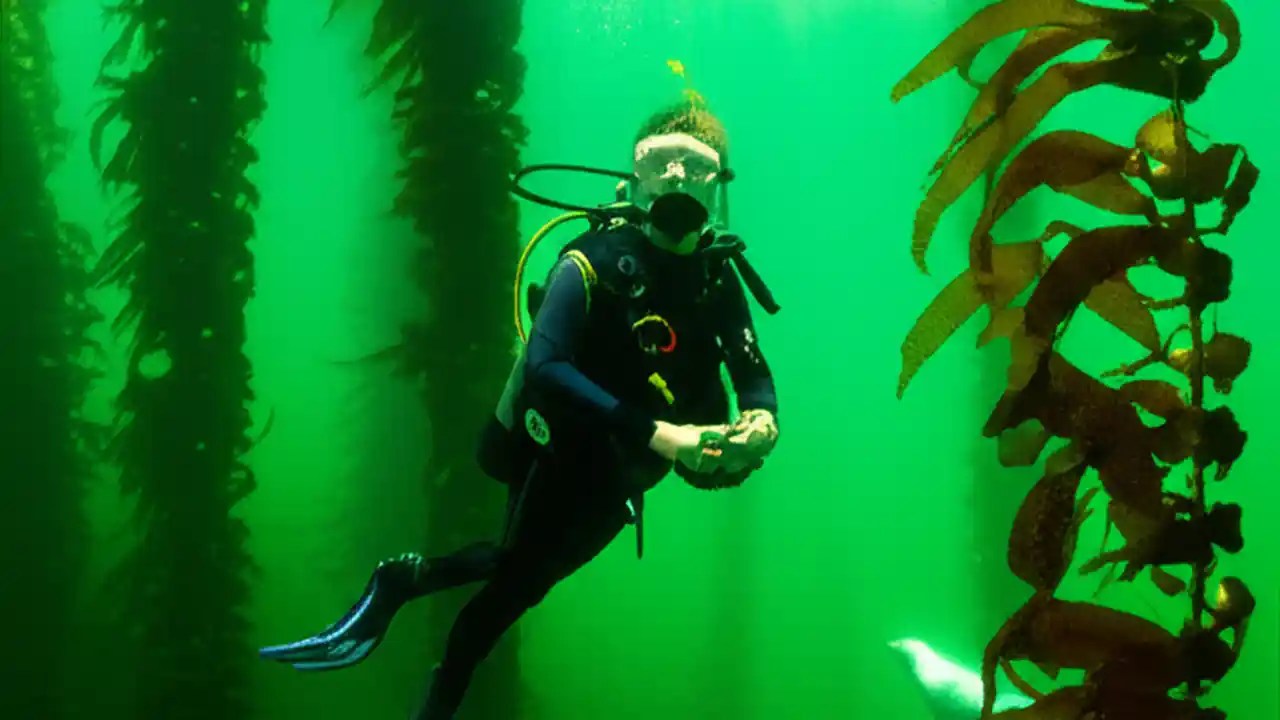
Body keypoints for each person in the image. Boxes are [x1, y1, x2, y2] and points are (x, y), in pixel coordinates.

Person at [259, 98, 782, 719]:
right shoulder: (591, 261)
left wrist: (761, 420)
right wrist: (663, 435)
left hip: (627, 469)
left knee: (525, 579)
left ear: (718, 185)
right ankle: (430, 676)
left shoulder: (716, 280)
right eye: (659, 161)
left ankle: (408, 582)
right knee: (511, 587)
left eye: (695, 166)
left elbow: (751, 371)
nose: (675, 177)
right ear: (632, 178)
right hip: (563, 445)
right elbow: (546, 366)